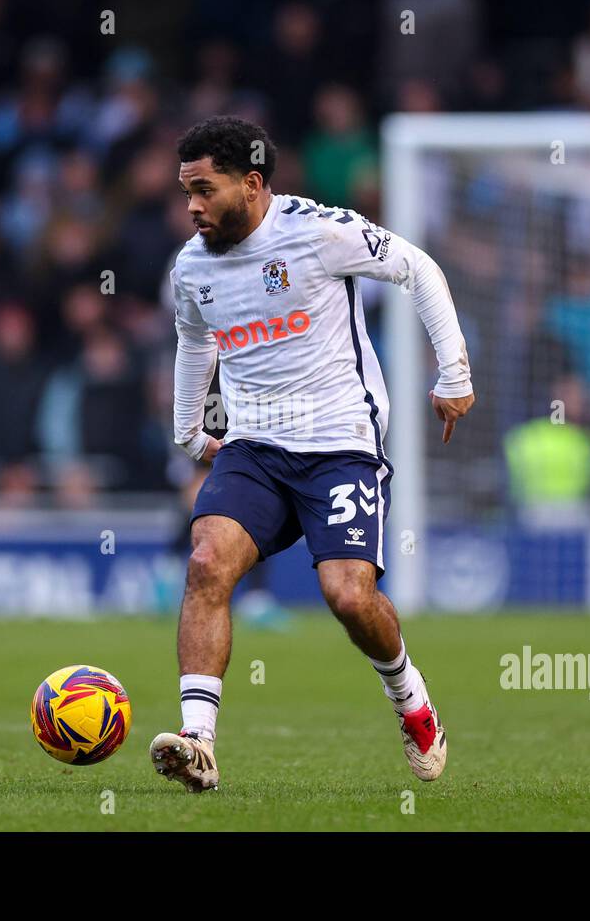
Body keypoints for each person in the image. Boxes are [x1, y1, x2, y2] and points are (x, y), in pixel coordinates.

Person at [153, 116, 474, 792]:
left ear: (253, 182)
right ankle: (198, 741)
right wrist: (188, 428)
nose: (192, 206)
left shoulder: (319, 233)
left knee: (349, 597)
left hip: (339, 445)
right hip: (255, 445)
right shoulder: (191, 266)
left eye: (205, 190)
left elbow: (418, 268)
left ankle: (411, 700)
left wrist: (454, 374)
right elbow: (193, 339)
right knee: (207, 561)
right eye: (187, 192)